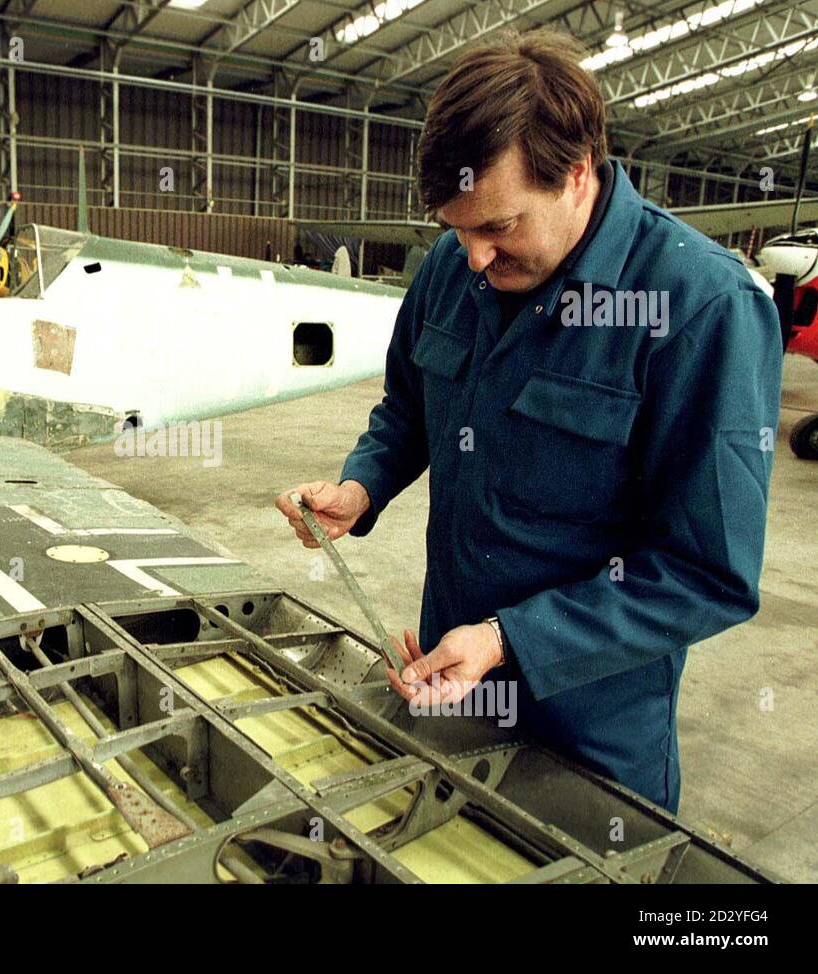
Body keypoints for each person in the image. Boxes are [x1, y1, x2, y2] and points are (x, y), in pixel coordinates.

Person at [275, 28, 782, 812]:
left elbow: (706, 573)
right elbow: (409, 405)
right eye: (457, 228)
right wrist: (362, 486)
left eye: (499, 226)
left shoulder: (700, 308)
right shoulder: (454, 267)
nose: (473, 256)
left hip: (590, 737)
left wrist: (512, 641)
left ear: (576, 175)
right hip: (451, 691)